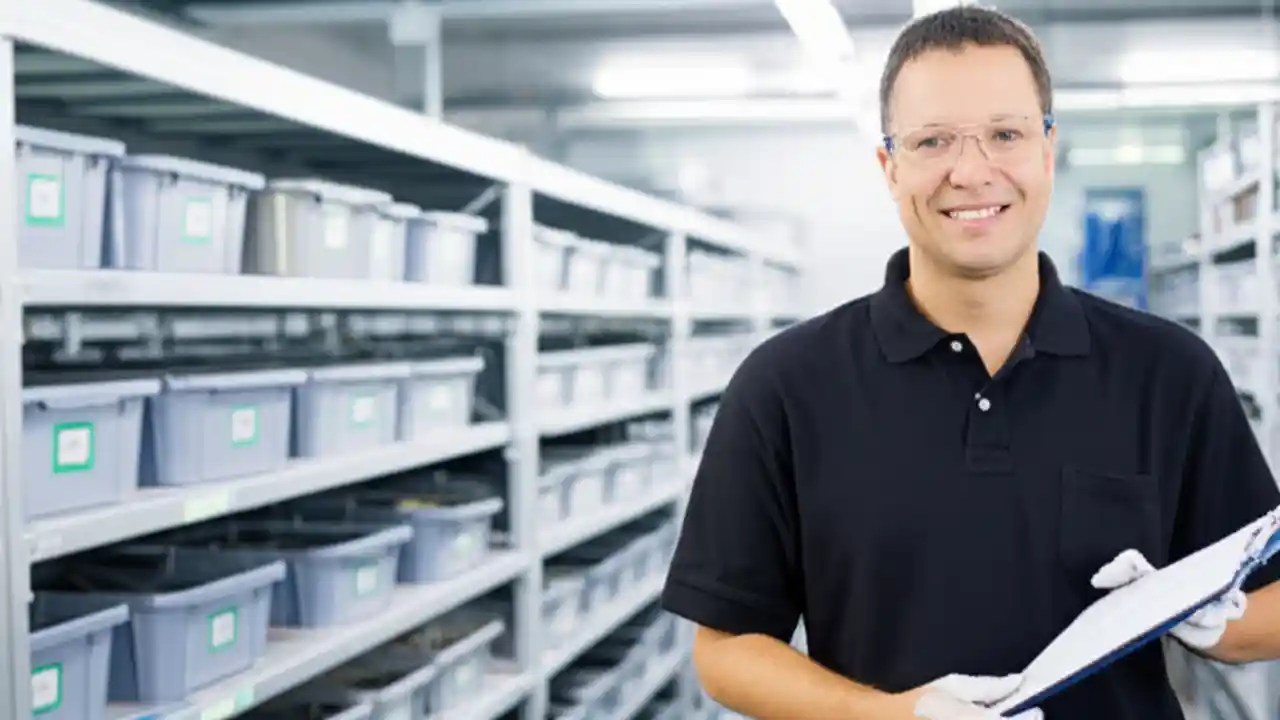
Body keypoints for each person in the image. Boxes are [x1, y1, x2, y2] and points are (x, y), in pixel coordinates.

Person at [660, 6, 1280, 720]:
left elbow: (1271, 598)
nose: (971, 171)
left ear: (1048, 151)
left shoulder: (1171, 373)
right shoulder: (785, 387)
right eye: (933, 142)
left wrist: (1211, 620)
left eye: (1005, 134)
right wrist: (898, 716)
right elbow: (727, 647)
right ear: (889, 167)